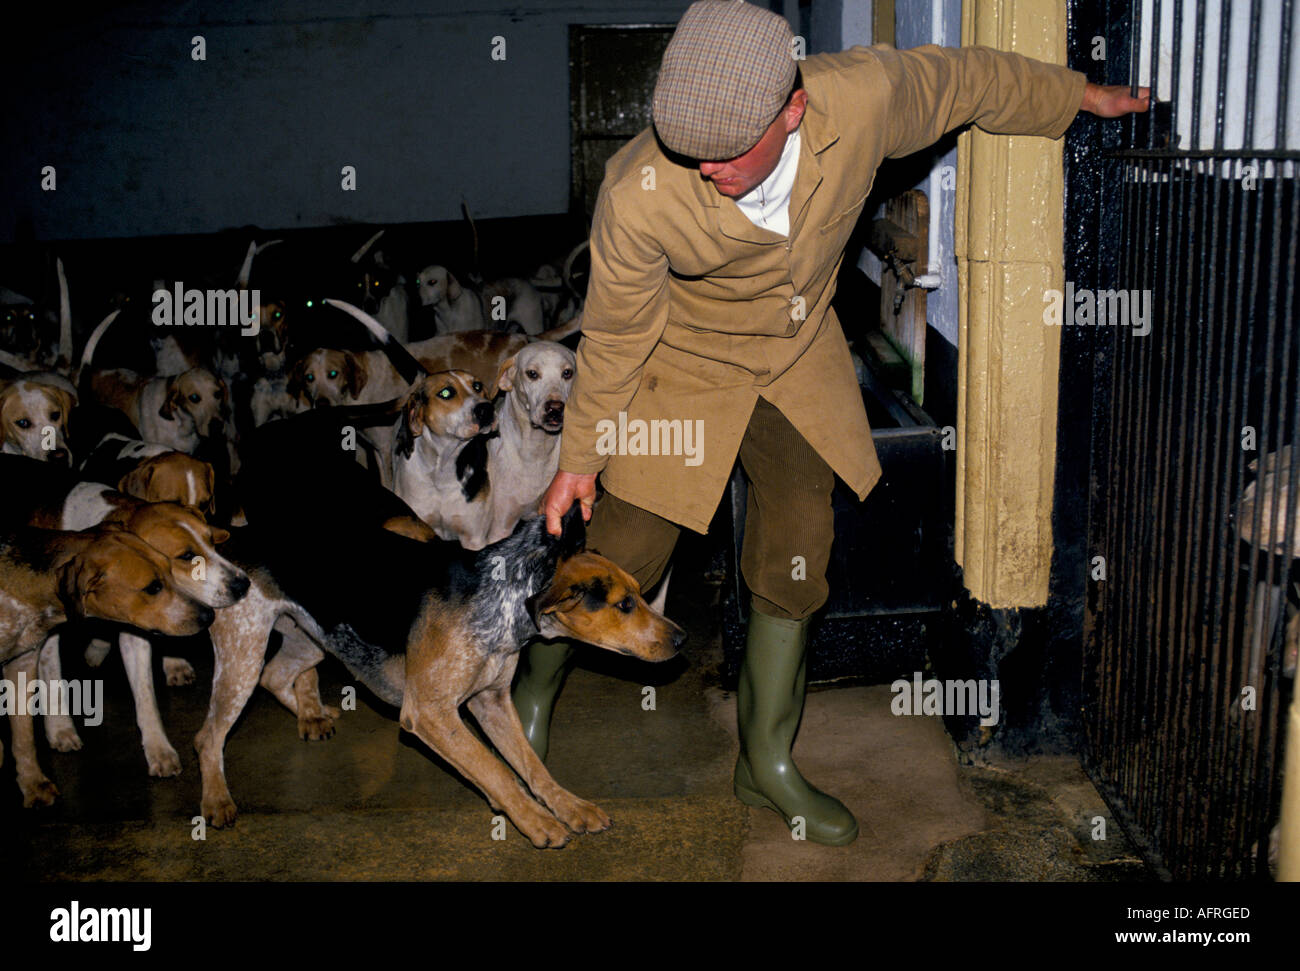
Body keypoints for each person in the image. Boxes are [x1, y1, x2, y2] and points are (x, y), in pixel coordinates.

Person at [515, 0, 1149, 846]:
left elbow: (968, 80)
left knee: (797, 547)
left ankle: (765, 762)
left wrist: (1077, 96)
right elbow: (618, 333)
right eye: (691, 151)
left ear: (793, 108)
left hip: (792, 353)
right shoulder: (639, 191)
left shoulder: (862, 98)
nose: (706, 168)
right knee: (623, 554)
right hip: (679, 365)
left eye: (727, 150)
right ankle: (525, 705)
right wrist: (579, 459)